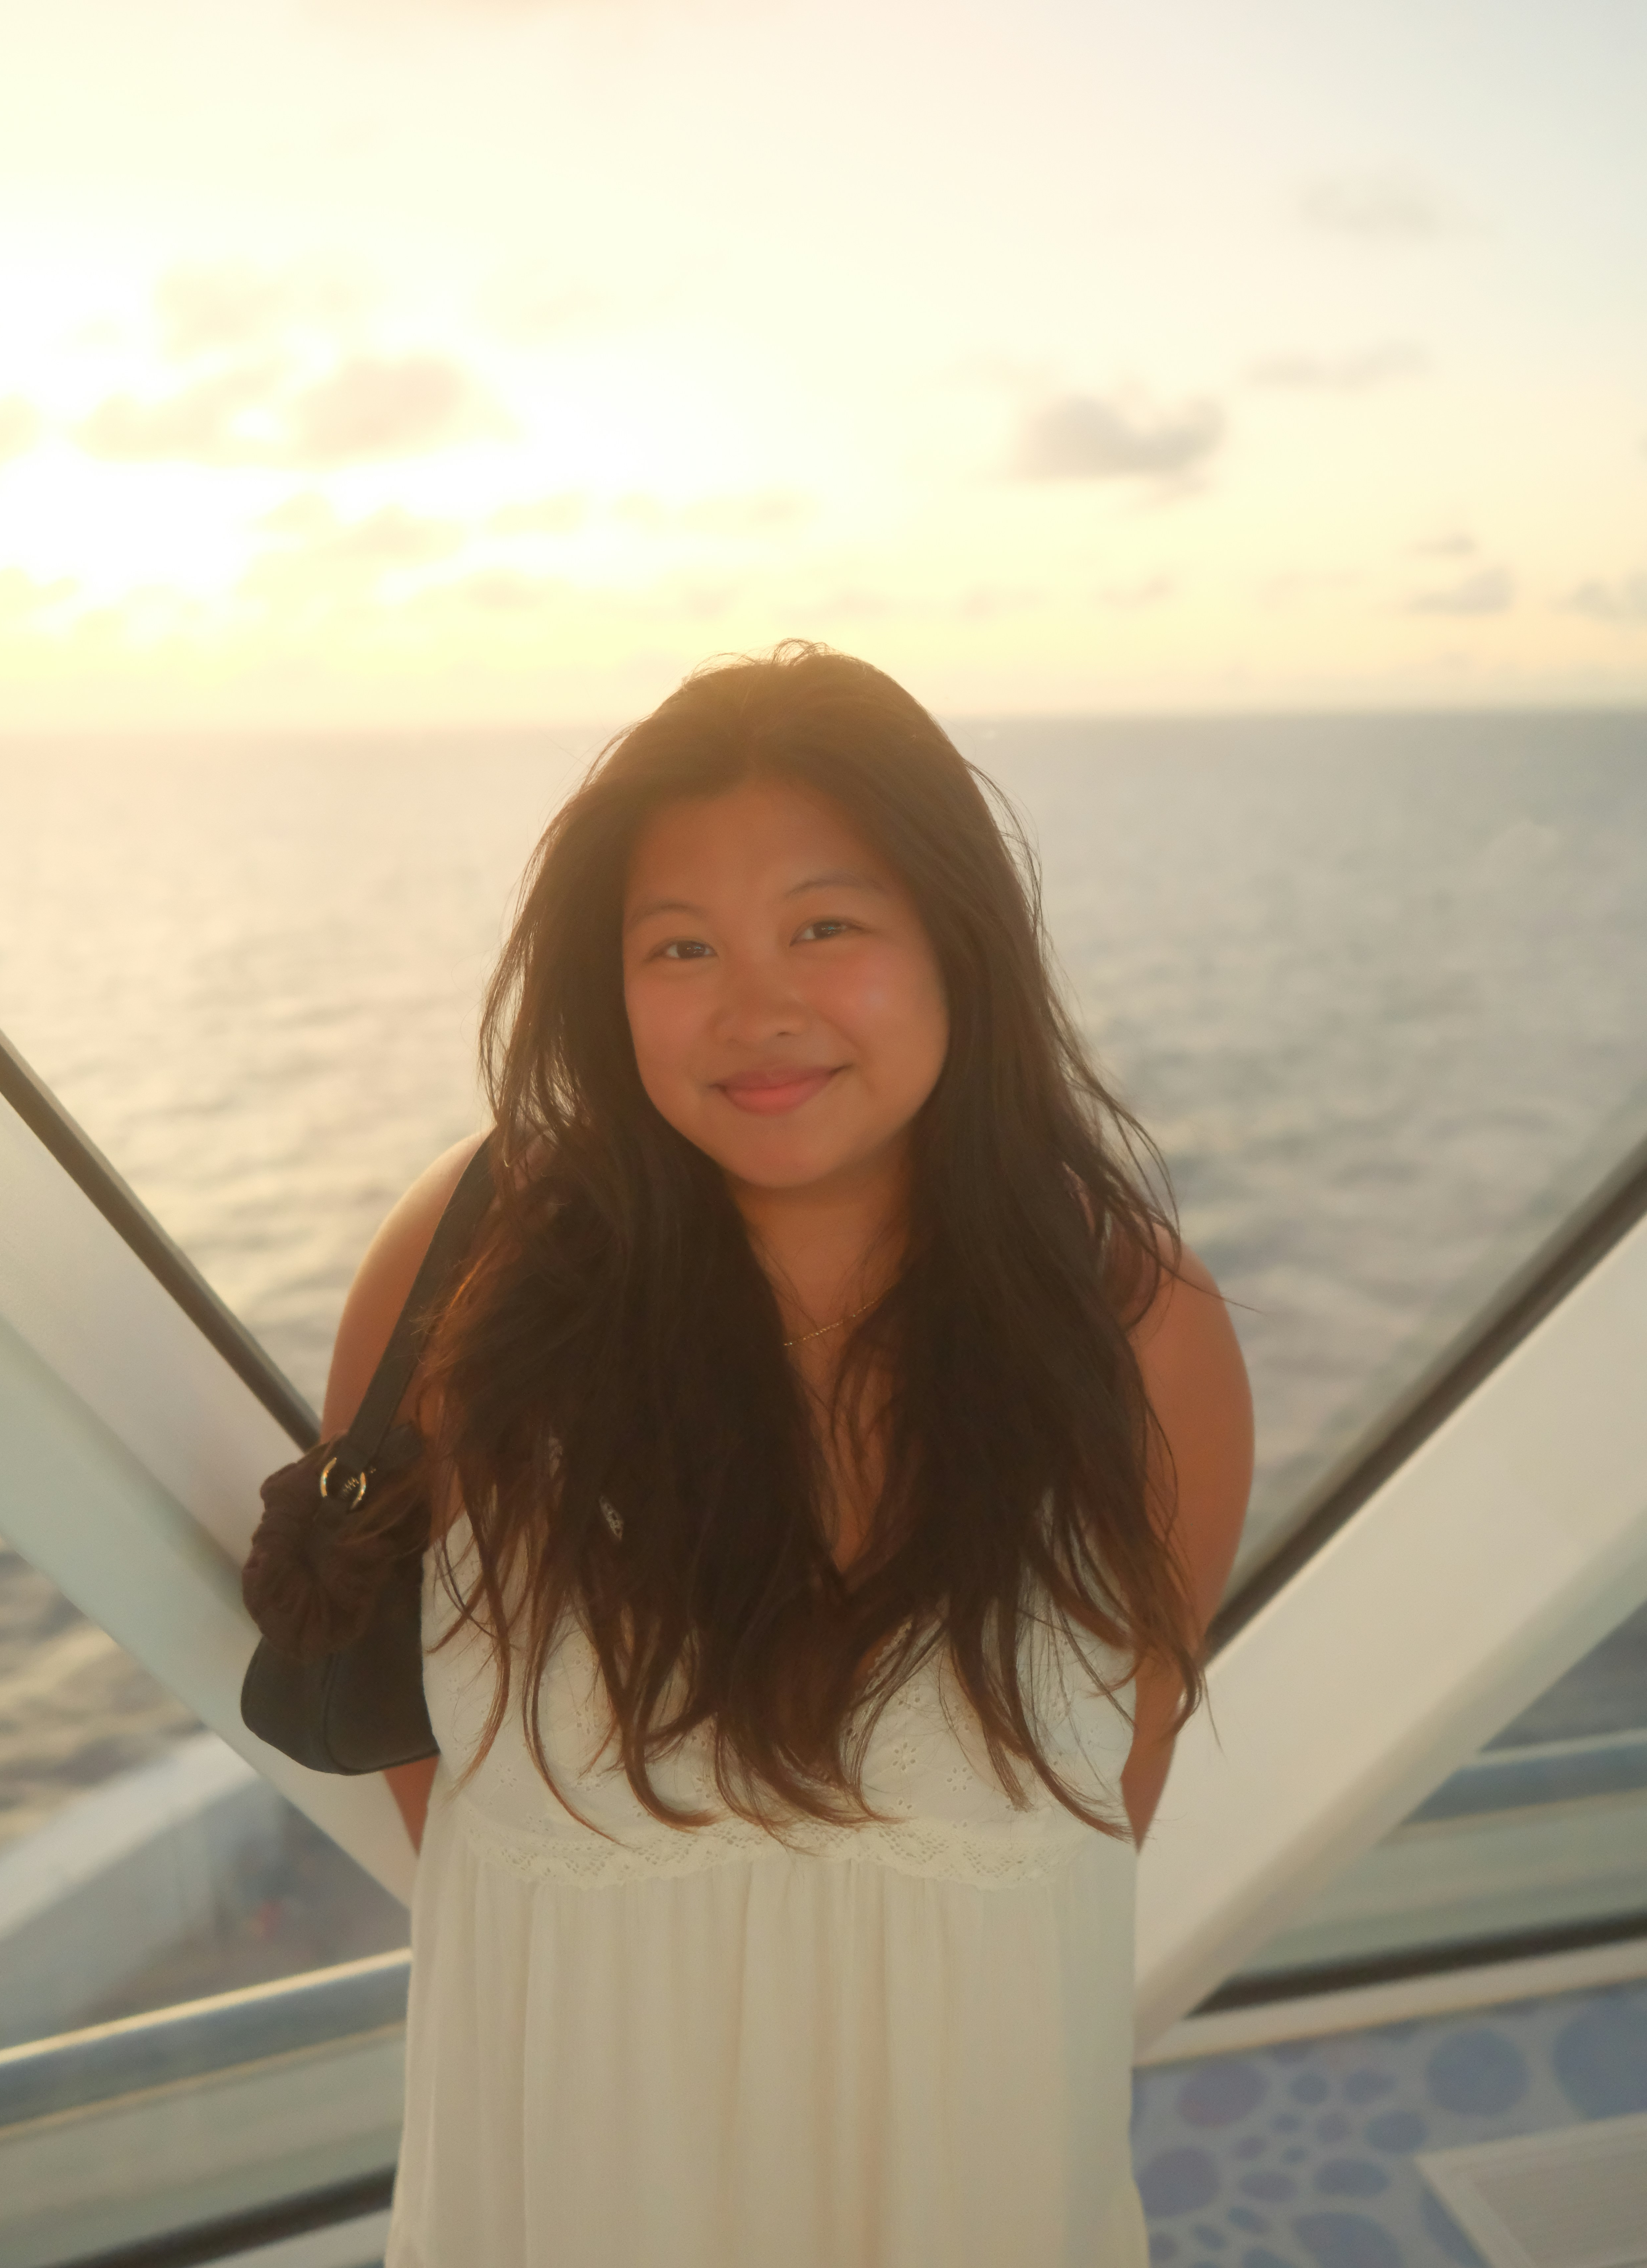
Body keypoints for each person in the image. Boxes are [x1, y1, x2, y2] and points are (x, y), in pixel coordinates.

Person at [320, 642, 1253, 2266]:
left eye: (826, 926)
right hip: (564, 2197)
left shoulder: (1133, 1332)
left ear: (958, 942)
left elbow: (1126, 1759)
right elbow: (426, 1749)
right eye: (678, 946)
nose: (756, 1009)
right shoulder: (466, 1274)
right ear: (607, 989)